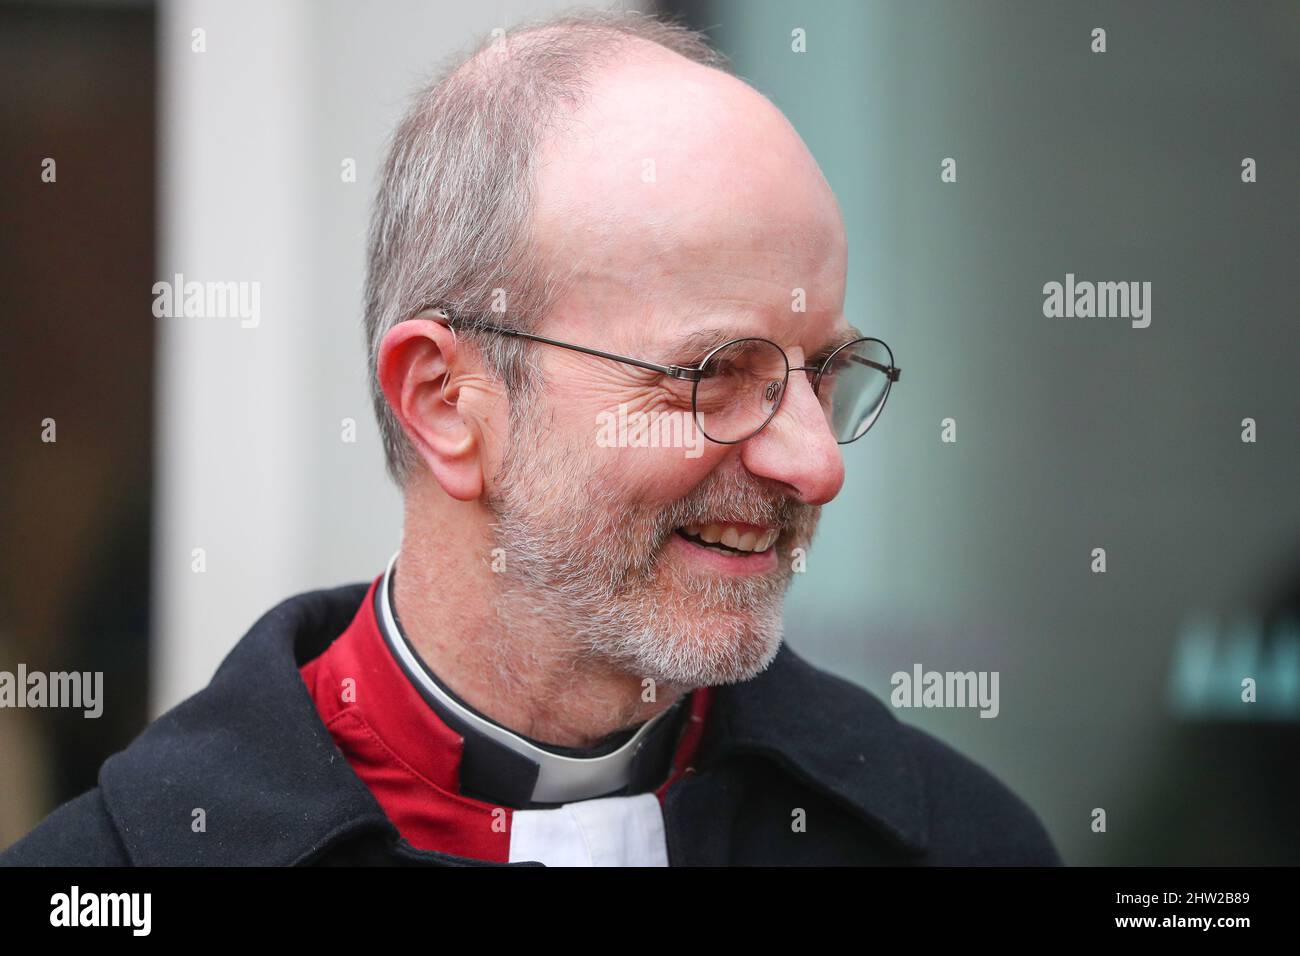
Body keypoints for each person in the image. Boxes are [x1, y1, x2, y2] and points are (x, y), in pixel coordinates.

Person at [1, 9, 1060, 866]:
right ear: (446, 399)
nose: (814, 463)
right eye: (716, 375)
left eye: (820, 376)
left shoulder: (948, 837)